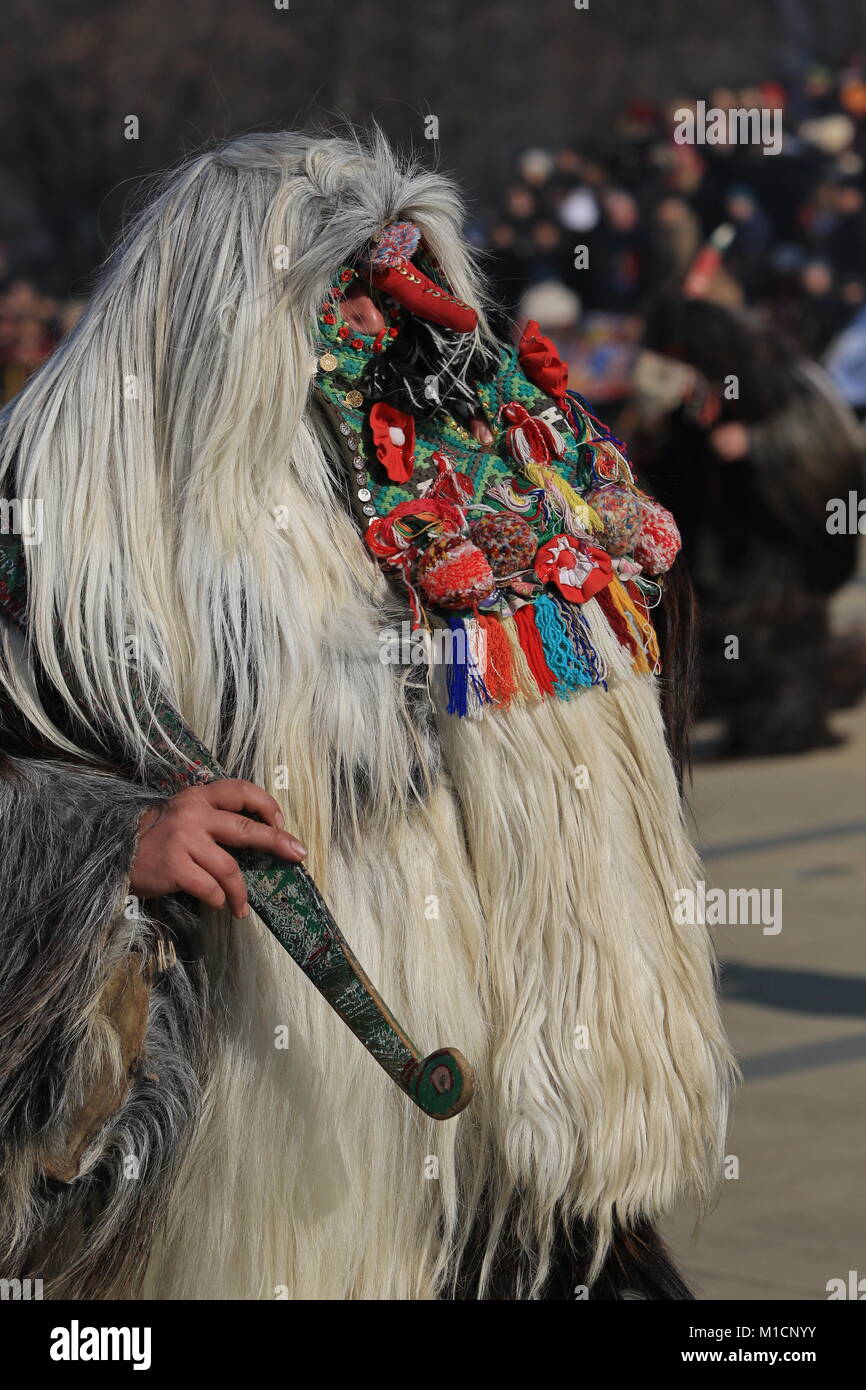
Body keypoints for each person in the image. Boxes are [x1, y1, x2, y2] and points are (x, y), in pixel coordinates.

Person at [0, 130, 733, 1300]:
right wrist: (106, 841)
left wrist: (608, 573)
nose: (385, 322)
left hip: (506, 1126)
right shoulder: (63, 524)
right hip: (252, 1140)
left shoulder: (474, 462)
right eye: (344, 288)